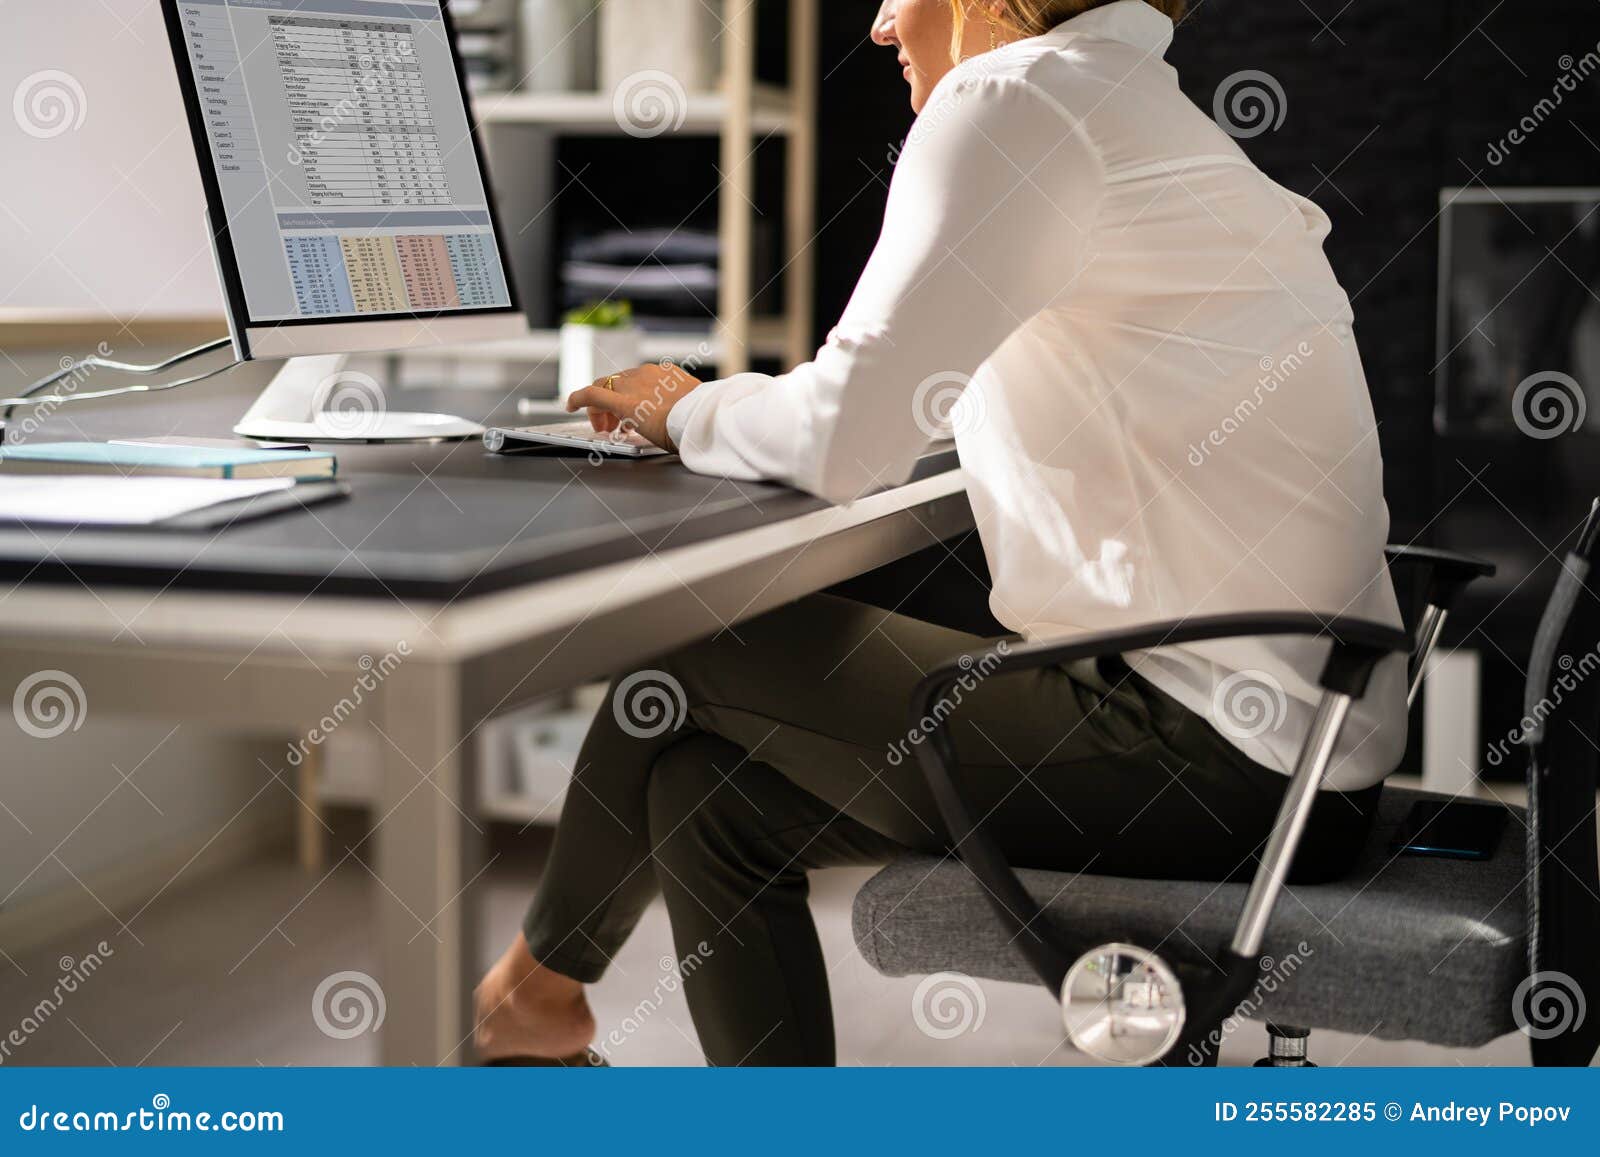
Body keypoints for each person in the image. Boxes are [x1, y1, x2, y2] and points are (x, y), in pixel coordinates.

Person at [473, 0, 1408, 1067]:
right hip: (1305, 754)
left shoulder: (1013, 95)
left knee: (691, 637)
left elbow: (843, 435)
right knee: (709, 792)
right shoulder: (1152, 118)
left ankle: (525, 1000)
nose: (877, 25)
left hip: (1210, 754)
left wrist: (683, 405)